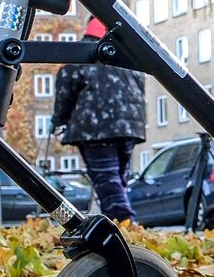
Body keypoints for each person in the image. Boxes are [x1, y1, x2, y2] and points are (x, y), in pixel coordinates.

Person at [52, 17, 147, 223]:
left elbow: (65, 92)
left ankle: (124, 223)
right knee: (119, 179)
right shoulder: (125, 54)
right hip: (130, 127)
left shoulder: (81, 54)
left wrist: (58, 120)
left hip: (94, 127)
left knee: (107, 179)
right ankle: (116, 222)